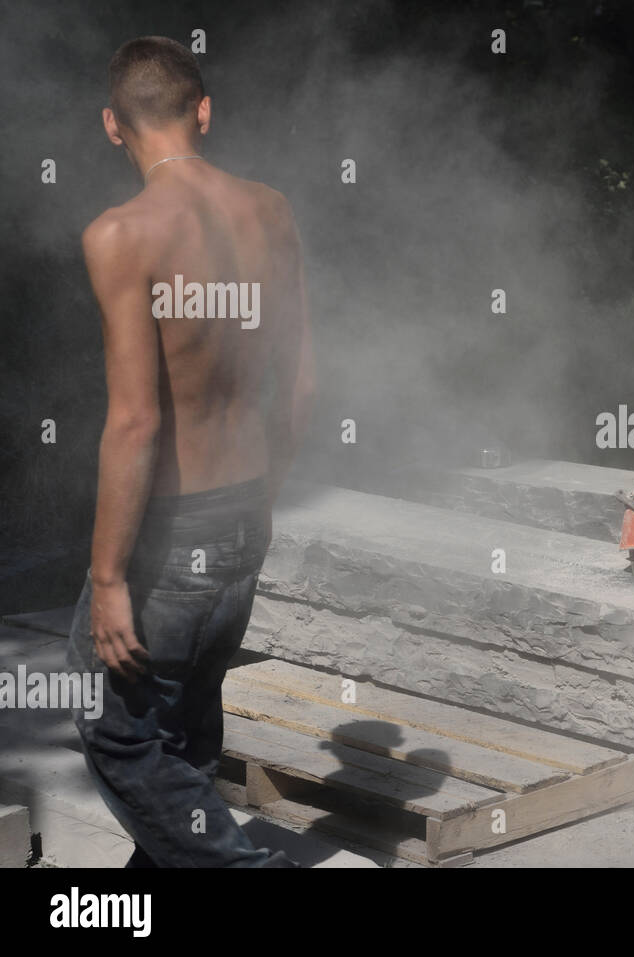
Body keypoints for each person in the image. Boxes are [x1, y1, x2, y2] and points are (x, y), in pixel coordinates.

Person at [65, 36, 316, 866]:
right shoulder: (270, 209)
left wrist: (107, 580)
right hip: (245, 510)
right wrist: (266, 500)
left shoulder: (120, 234)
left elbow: (135, 422)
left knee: (117, 732)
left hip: (174, 537)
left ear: (112, 126)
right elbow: (300, 384)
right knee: (183, 731)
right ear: (203, 111)